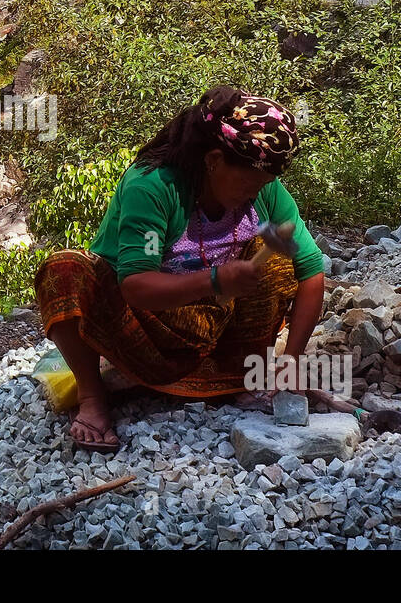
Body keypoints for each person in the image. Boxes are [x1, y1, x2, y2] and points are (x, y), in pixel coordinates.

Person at [34, 85, 326, 452]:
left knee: (279, 254)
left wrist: (291, 361)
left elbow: (311, 270)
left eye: (264, 184)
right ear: (214, 160)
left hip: (221, 336)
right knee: (63, 270)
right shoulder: (156, 188)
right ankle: (93, 399)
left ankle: (235, 380)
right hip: (146, 328)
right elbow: (137, 283)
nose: (256, 193)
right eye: (250, 183)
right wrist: (216, 279)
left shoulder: (264, 191)